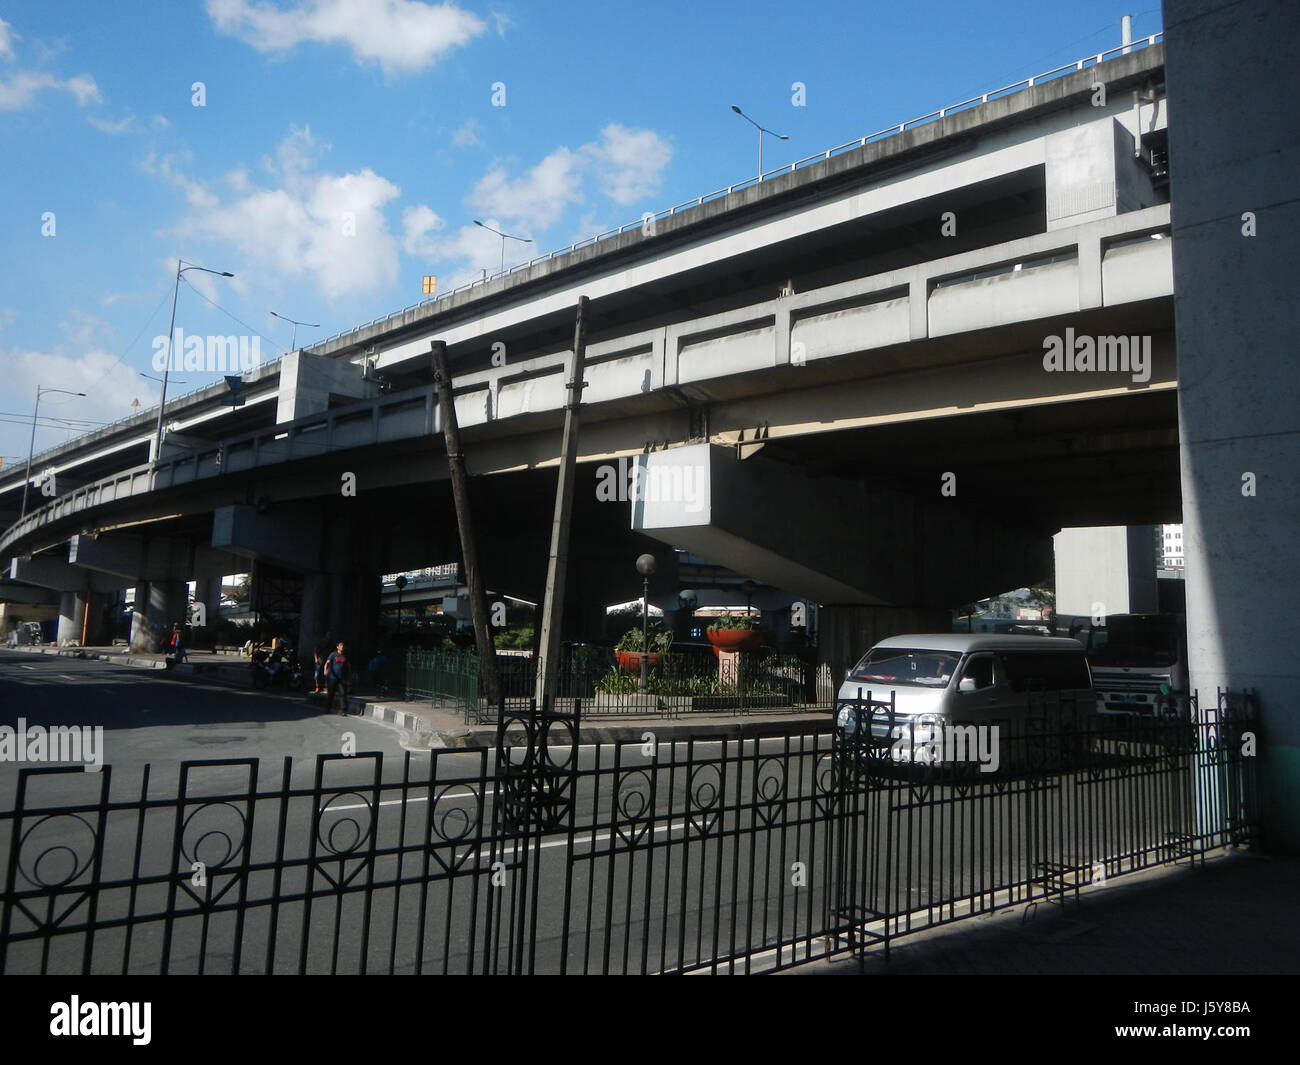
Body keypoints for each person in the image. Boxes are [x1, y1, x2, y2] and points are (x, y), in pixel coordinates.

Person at [323, 640, 351, 714]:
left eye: (343, 645)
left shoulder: (345, 656)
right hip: (332, 677)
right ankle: (327, 708)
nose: (342, 647)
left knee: (342, 693)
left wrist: (348, 676)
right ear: (337, 647)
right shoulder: (333, 654)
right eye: (341, 645)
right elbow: (327, 663)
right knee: (331, 694)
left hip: (341, 678)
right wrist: (325, 670)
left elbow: (347, 666)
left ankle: (343, 710)